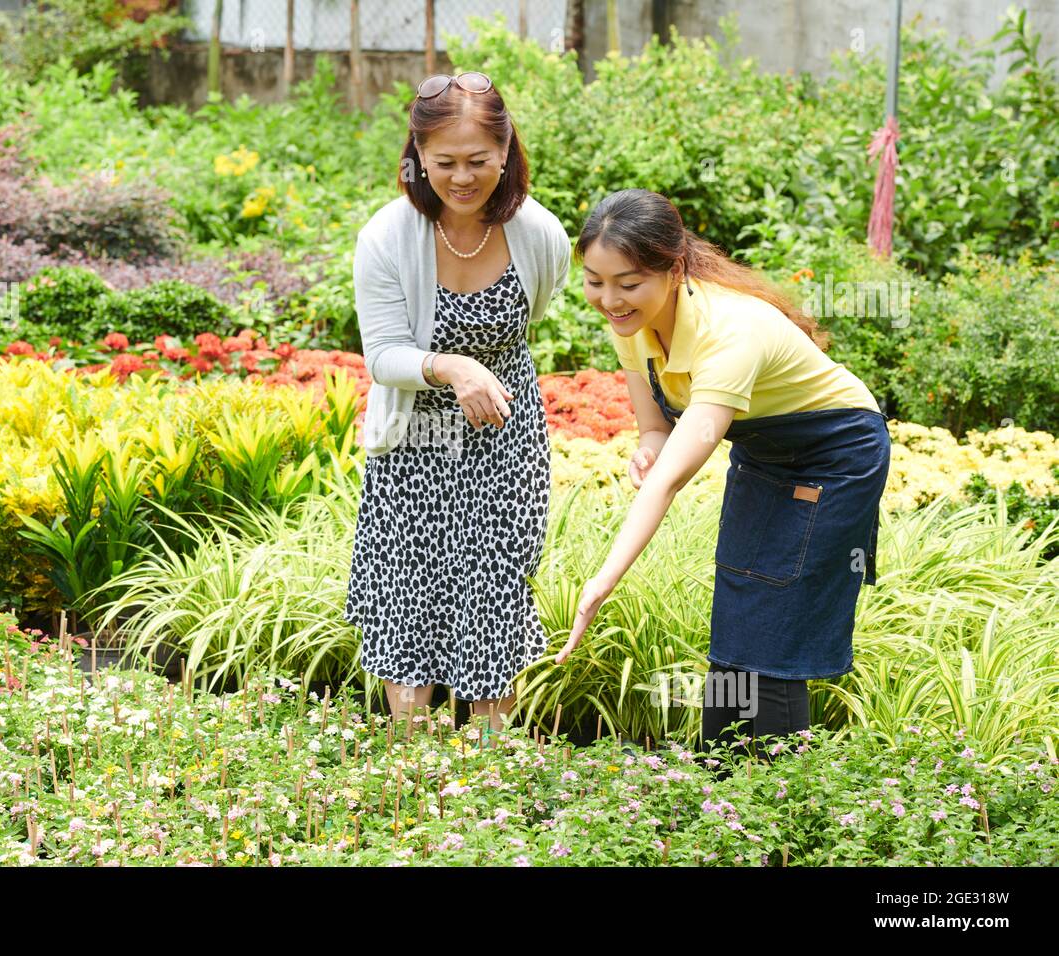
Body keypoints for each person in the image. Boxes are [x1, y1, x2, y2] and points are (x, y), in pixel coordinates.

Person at [555, 188, 891, 768]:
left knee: (777, 631)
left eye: (628, 283)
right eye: (594, 281)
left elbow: (669, 483)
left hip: (835, 456)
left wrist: (600, 584)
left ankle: (780, 808)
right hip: (764, 452)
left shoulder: (729, 333)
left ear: (673, 268)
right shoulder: (630, 322)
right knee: (740, 612)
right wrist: (650, 446)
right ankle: (718, 790)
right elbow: (655, 430)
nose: (609, 299)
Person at [343, 71, 571, 738]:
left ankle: (490, 764)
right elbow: (383, 355)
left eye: (479, 161)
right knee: (407, 584)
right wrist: (452, 367)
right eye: (445, 163)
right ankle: (414, 765)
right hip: (415, 438)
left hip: (505, 435)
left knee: (494, 585)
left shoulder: (538, 233)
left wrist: (486, 374)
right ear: (417, 157)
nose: (463, 177)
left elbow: (540, 308)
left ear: (506, 153)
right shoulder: (387, 237)